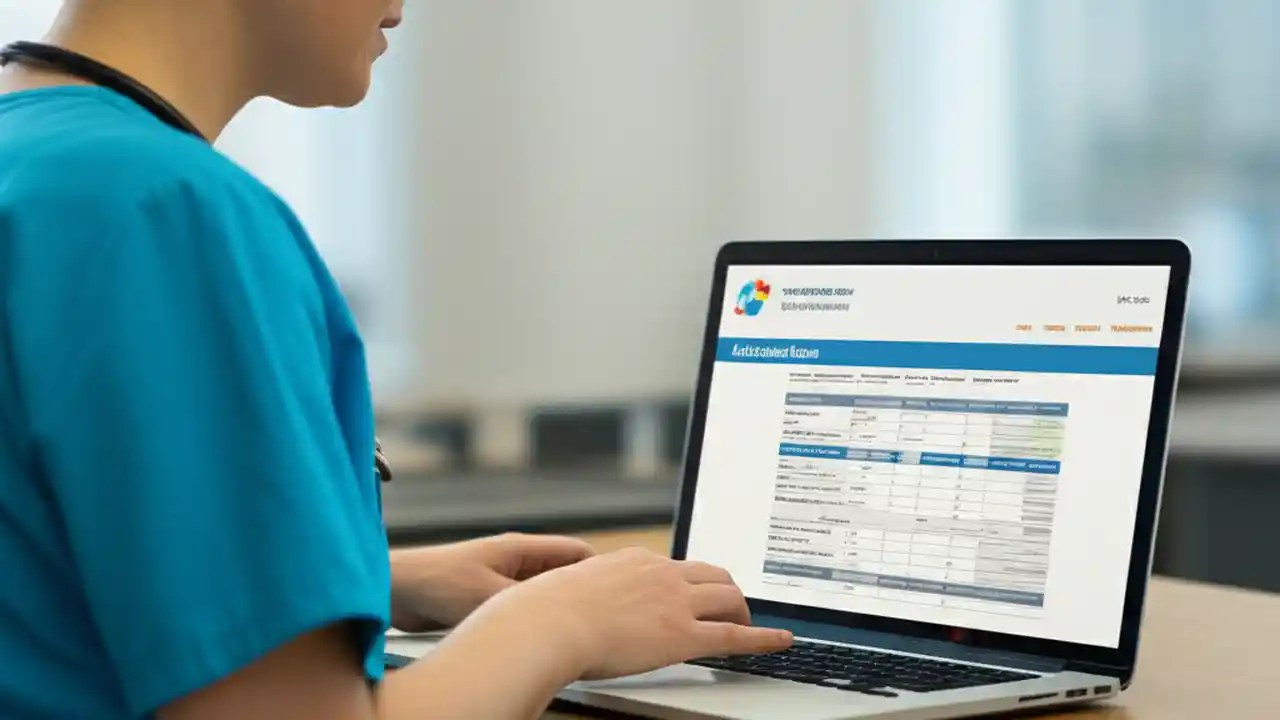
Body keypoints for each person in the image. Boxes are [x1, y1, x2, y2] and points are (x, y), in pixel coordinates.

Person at [0, 1, 792, 718]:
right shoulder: (167, 212)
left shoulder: (33, 153)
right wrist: (562, 623)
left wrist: (369, 583)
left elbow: (44, 573)